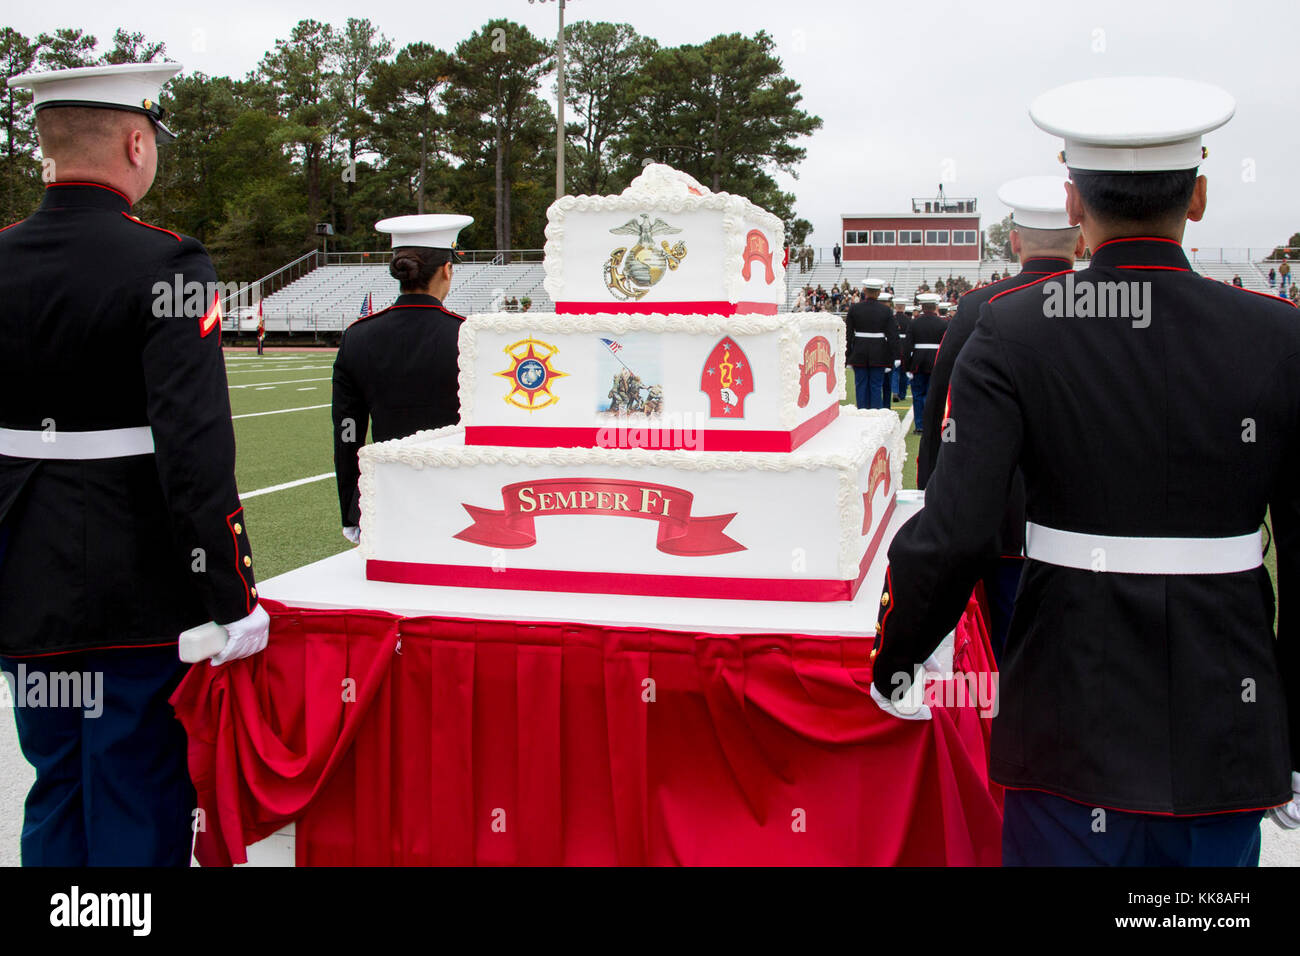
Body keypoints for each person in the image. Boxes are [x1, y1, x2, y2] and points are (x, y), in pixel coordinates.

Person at [871, 76, 1300, 865]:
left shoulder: (1011, 329)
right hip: (1224, 722)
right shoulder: (1280, 336)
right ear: (1198, 196)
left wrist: (900, 655)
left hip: (1069, 720)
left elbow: (958, 529)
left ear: (1074, 205)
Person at [0, 63, 268, 866]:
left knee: (57, 782)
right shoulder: (168, 264)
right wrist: (234, 591)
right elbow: (193, 448)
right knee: (136, 785)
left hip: (21, 576)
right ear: (136, 141)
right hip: (132, 583)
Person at [917, 175, 1084, 664]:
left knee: (1006, 662)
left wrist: (934, 494)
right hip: (1090, 524)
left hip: (1002, 521)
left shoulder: (978, 307)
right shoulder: (1112, 305)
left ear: (1013, 240)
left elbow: (942, 412)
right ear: (1079, 238)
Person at [333, 214, 471, 543]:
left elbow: (347, 436)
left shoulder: (357, 336)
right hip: (460, 495)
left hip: (386, 497)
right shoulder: (468, 336)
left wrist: (353, 510)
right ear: (447, 269)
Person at [844, 278, 897, 409]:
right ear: (879, 293)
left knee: (861, 385)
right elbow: (892, 336)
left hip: (859, 351)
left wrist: (847, 355)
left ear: (864, 291)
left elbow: (848, 335)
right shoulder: (886, 311)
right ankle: (875, 415)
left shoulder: (854, 309)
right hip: (879, 352)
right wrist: (893, 357)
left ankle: (862, 412)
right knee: (876, 386)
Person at [905, 293, 945, 432]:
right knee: (932, 395)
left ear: (922, 306)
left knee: (917, 394)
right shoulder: (943, 323)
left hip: (918, 362)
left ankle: (920, 425)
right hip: (936, 361)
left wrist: (907, 367)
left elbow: (907, 346)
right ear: (935, 306)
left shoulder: (914, 322)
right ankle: (931, 425)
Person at [891, 297, 911, 402]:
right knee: (904, 372)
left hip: (894, 347)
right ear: (904, 307)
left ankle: (895, 391)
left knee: (894, 371)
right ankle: (902, 394)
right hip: (905, 347)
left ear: (895, 307)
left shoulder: (891, 318)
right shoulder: (909, 320)